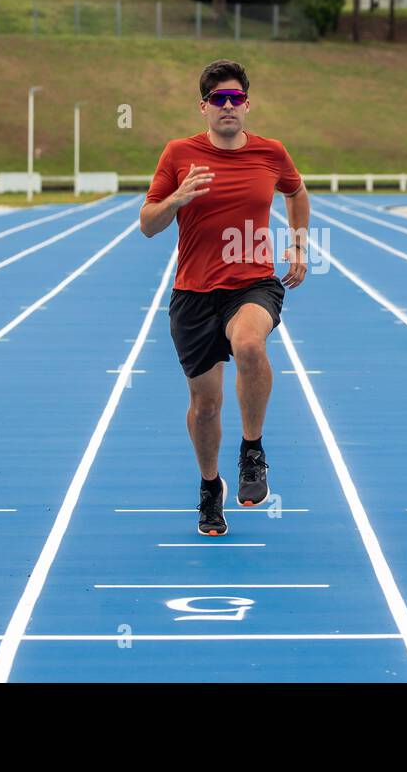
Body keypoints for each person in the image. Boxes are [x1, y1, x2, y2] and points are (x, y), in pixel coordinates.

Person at [140, 59, 310, 535]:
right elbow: (148, 225)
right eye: (219, 99)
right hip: (193, 293)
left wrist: (297, 243)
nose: (229, 106)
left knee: (251, 345)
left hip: (252, 282)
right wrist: (176, 200)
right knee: (206, 405)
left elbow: (297, 193)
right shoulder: (178, 154)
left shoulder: (271, 153)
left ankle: (252, 450)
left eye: (236, 98)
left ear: (248, 105)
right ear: (204, 107)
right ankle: (210, 486)